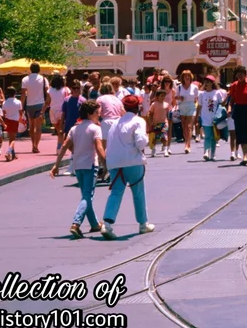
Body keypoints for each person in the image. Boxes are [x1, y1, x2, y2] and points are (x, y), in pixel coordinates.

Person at [101, 95, 154, 239]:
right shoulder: (138, 121)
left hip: (114, 163)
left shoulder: (115, 123)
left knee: (116, 192)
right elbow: (140, 142)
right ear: (138, 107)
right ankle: (143, 223)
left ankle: (107, 223)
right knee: (138, 193)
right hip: (132, 161)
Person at [51, 100, 106, 238]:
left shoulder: (74, 129)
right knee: (87, 196)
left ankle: (94, 224)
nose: (99, 115)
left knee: (86, 196)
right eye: (97, 113)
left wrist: (56, 165)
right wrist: (106, 164)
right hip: (90, 165)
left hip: (78, 166)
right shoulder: (95, 128)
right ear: (90, 114)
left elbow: (64, 146)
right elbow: (99, 147)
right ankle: (76, 223)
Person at [226, 65, 247, 165]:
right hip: (238, 110)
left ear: (245, 74)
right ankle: (245, 155)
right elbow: (232, 100)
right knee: (240, 133)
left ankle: (245, 155)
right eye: (238, 74)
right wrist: (229, 108)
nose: (239, 76)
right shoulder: (234, 85)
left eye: (241, 74)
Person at [20, 62, 48, 154]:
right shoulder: (43, 79)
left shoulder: (25, 79)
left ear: (30, 69)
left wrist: (21, 106)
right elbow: (47, 92)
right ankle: (36, 145)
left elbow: (23, 93)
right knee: (38, 126)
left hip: (29, 105)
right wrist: (47, 103)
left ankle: (33, 145)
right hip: (40, 104)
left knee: (31, 126)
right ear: (39, 69)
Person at [197, 75, 225, 161]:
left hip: (215, 118)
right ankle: (206, 152)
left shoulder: (217, 93)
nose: (206, 83)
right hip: (205, 118)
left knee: (214, 137)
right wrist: (197, 116)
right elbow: (199, 106)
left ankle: (212, 154)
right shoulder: (202, 94)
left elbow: (221, 104)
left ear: (212, 83)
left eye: (208, 81)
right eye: (205, 81)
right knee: (207, 136)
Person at [175, 70, 199, 154]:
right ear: (183, 78)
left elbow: (196, 99)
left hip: (191, 107)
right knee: (184, 126)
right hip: (182, 106)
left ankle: (187, 145)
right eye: (185, 76)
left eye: (188, 76)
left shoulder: (195, 87)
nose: (187, 77)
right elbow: (175, 97)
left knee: (189, 126)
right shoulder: (179, 87)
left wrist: (197, 107)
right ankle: (187, 141)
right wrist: (179, 98)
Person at [48, 74, 70, 153]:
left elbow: (47, 102)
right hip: (62, 111)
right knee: (61, 131)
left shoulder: (50, 90)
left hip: (53, 111)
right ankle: (60, 146)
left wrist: (42, 111)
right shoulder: (66, 89)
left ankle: (59, 145)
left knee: (58, 130)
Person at [1, 86, 23, 162]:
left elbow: (3, 113)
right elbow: (20, 113)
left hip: (7, 121)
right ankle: (9, 152)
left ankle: (13, 154)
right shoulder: (18, 102)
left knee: (10, 138)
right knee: (13, 139)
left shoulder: (4, 102)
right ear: (15, 93)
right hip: (15, 121)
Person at [149, 89, 169, 157]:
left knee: (164, 136)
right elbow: (150, 114)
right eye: (161, 96)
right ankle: (153, 149)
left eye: (164, 96)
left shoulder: (166, 104)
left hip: (164, 123)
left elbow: (167, 113)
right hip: (156, 123)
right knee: (156, 137)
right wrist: (151, 122)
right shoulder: (154, 104)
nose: (163, 97)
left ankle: (165, 150)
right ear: (157, 96)